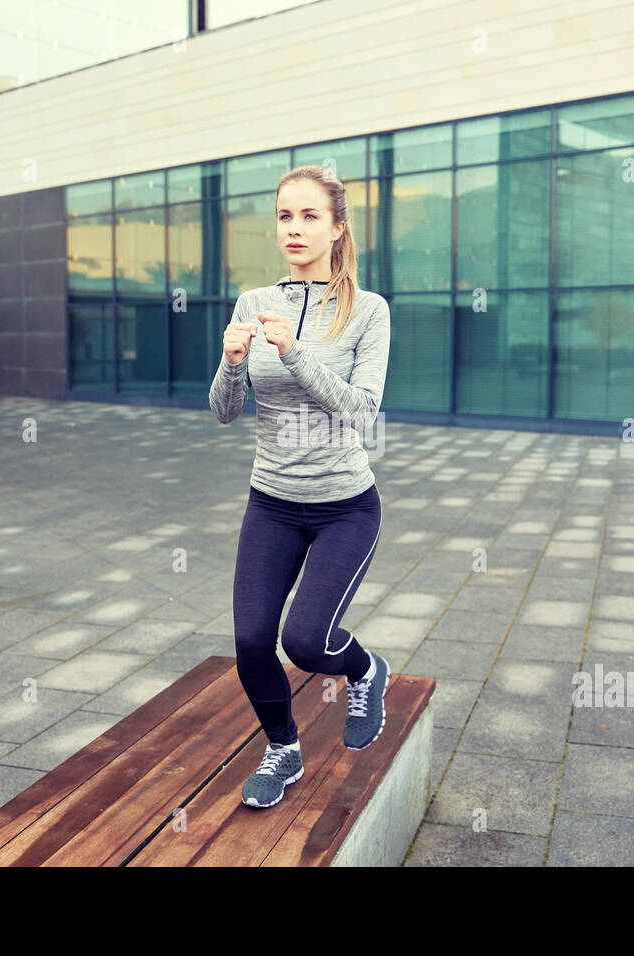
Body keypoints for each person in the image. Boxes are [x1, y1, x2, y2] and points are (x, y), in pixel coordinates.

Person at [208, 165, 392, 809]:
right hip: (272, 503)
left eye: (310, 216)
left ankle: (366, 670)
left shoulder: (368, 311)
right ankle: (282, 749)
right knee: (252, 641)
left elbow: (362, 412)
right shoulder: (252, 301)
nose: (295, 228)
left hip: (344, 507)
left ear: (338, 228)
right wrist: (232, 365)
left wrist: (295, 355)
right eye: (286, 215)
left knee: (306, 642)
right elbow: (226, 411)